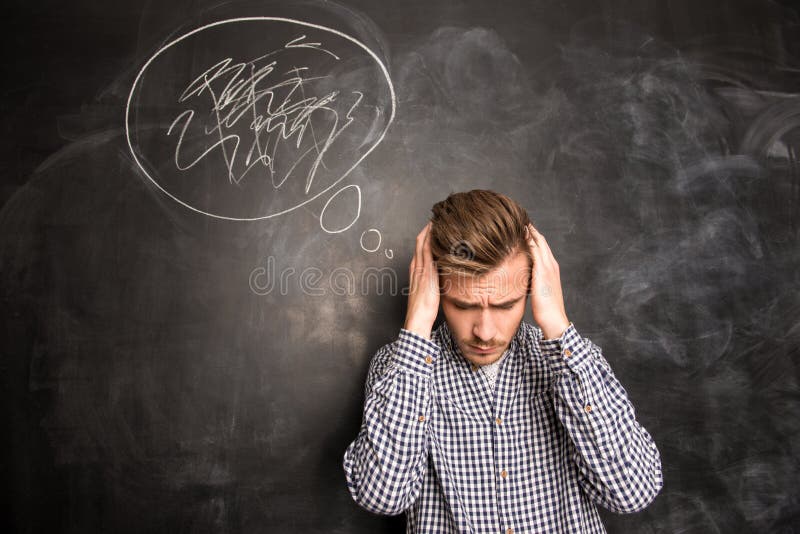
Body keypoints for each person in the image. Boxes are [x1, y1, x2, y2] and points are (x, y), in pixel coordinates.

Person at [343, 190, 663, 533]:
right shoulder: (397, 368)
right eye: (462, 305)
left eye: (506, 305)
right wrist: (418, 320)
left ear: (532, 287)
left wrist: (557, 324)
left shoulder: (576, 365)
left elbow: (633, 493)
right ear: (433, 287)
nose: (484, 332)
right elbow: (383, 497)